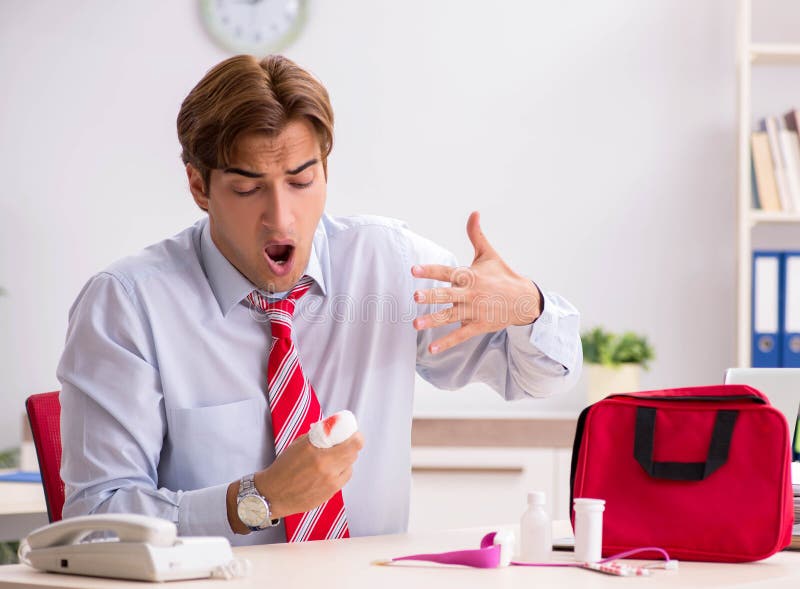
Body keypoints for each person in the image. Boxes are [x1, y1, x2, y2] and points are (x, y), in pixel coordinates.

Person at [58, 55, 582, 546]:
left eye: (301, 180)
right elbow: (93, 525)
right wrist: (254, 501)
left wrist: (527, 308)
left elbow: (542, 377)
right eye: (247, 189)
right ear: (198, 185)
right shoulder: (127, 305)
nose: (281, 217)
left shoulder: (390, 265)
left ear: (326, 171)